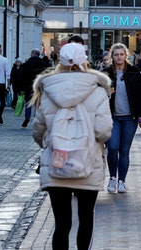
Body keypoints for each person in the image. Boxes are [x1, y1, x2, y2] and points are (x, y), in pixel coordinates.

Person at [31, 43, 113, 250]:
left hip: (56, 162)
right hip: (88, 161)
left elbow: (38, 128)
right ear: (83, 60)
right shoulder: (97, 90)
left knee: (61, 223)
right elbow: (103, 130)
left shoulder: (47, 89)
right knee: (86, 219)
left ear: (60, 60)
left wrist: (50, 142)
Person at [103, 43, 141, 194]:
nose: (119, 57)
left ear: (126, 55)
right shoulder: (106, 73)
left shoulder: (134, 72)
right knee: (112, 147)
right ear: (112, 57)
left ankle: (122, 181)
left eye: (121, 54)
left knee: (124, 150)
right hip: (112, 117)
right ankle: (112, 178)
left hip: (130, 117)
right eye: (116, 54)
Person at [21, 49, 50, 128]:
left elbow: (23, 76)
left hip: (28, 86)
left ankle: (27, 117)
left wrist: (22, 87)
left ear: (33, 54)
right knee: (38, 103)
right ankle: (36, 118)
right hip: (39, 86)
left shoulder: (27, 64)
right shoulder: (43, 63)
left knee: (28, 103)